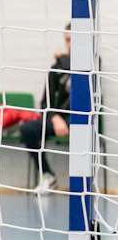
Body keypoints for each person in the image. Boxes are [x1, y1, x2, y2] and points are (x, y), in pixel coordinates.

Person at [21, 24, 71, 193]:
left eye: (74, 40)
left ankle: (85, 184)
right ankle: (47, 175)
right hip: (60, 120)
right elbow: (45, 103)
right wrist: (55, 118)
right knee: (28, 129)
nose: (70, 44)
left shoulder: (93, 64)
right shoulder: (57, 68)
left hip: (83, 120)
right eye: (67, 40)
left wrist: (62, 57)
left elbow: (76, 66)